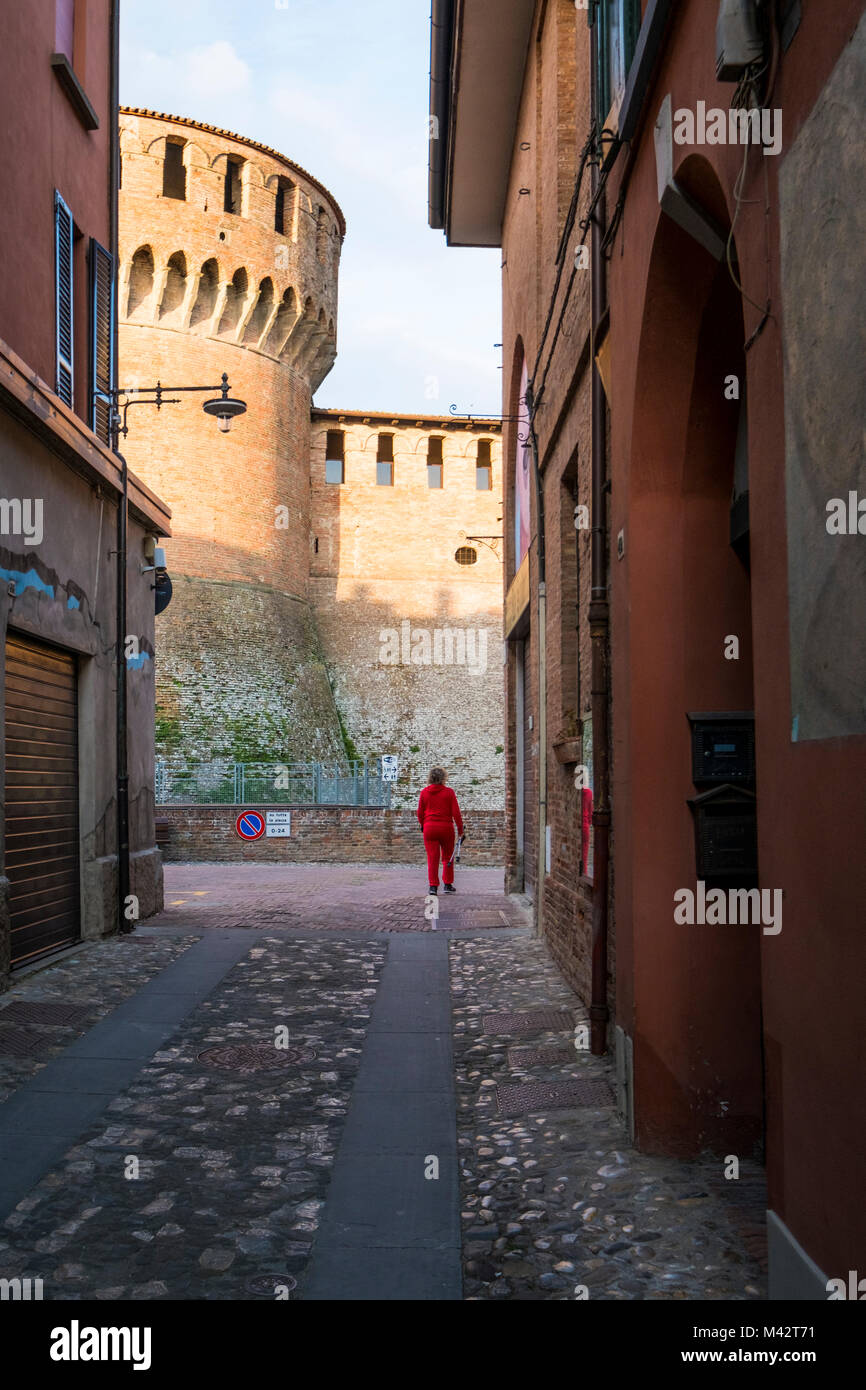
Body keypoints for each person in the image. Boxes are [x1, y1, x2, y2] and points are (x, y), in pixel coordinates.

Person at [417, 767, 464, 894]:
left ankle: (433, 887)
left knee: (432, 858)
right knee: (448, 856)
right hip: (446, 828)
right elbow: (456, 813)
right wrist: (460, 830)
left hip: (429, 827)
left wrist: (423, 824)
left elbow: (420, 812)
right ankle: (447, 884)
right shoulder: (449, 792)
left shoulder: (424, 792)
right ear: (443, 778)